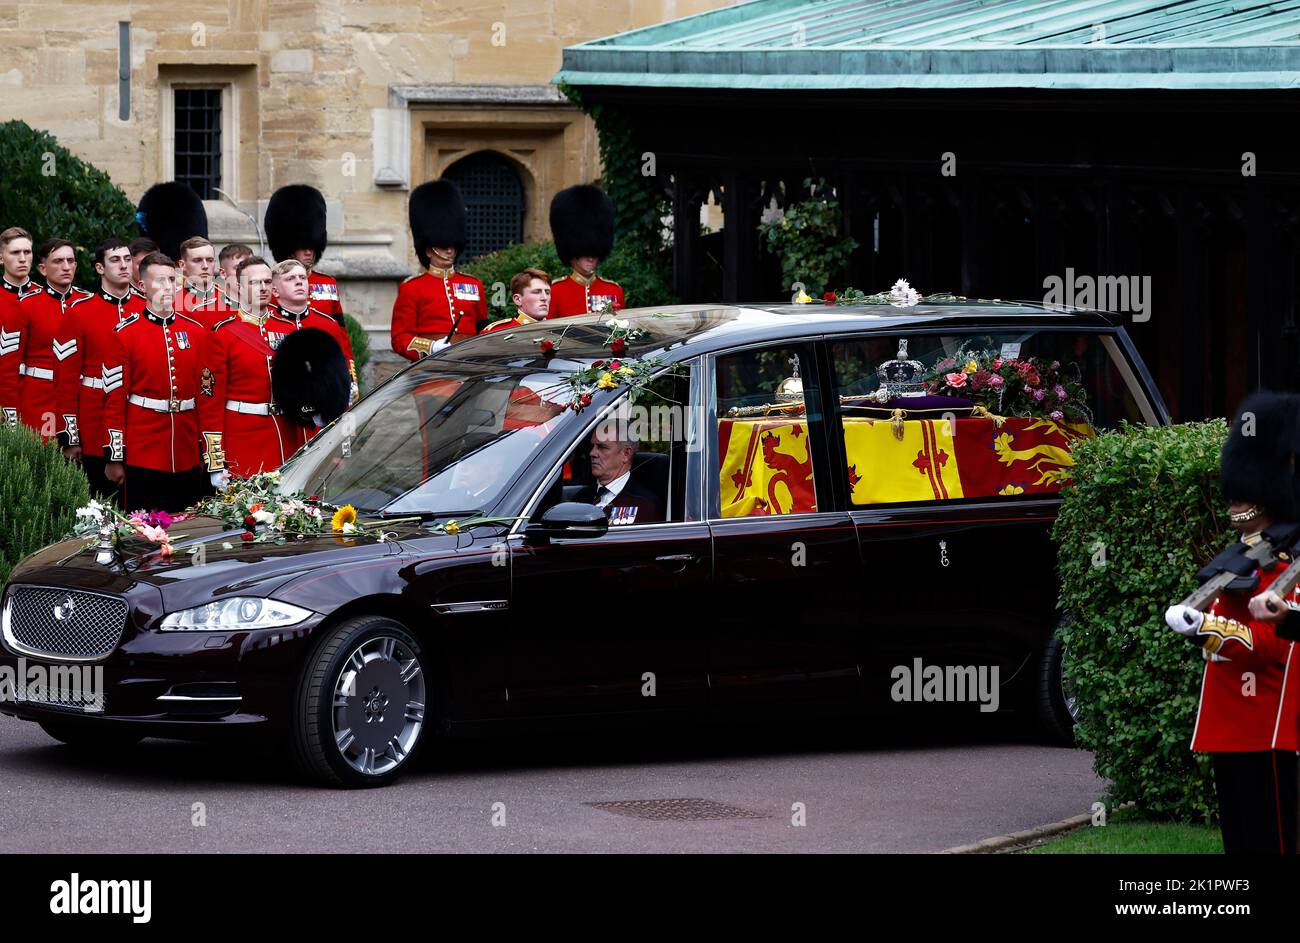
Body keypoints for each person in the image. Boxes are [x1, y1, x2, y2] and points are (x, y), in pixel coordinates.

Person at [1164, 390, 1300, 854]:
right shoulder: (1243, 555)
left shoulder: (1286, 561)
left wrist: (1202, 629)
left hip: (1269, 724)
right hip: (1232, 724)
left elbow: (1270, 644)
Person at [100, 253, 209, 513]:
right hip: (143, 449)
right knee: (145, 527)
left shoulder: (196, 331)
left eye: (172, 279)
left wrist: (207, 449)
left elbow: (206, 397)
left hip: (186, 448)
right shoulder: (125, 334)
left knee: (190, 524)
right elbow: (114, 401)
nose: (168, 287)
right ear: (142, 286)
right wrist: (114, 456)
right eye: (160, 281)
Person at [53, 238, 146, 497]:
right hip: (93, 421)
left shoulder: (145, 308)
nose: (124, 265)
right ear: (99, 268)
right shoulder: (79, 312)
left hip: (138, 422)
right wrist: (70, 437)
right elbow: (65, 380)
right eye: (115, 260)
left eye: (127, 259)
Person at [198, 256, 300, 480]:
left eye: (267, 282)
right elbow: (210, 403)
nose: (263, 288)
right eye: (254, 282)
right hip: (244, 441)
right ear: (239, 286)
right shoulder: (222, 334)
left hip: (286, 438)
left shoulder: (288, 329)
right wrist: (215, 462)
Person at [0, 239, 92, 441]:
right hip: (40, 399)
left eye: (70, 261)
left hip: (84, 400)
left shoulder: (90, 303)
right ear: (43, 269)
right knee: (47, 455)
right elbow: (7, 367)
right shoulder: (25, 305)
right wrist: (10, 415)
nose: (66, 267)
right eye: (58, 261)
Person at [390, 179, 485, 360]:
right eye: (443, 246)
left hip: (470, 362)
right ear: (428, 251)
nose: (450, 251)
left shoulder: (474, 284)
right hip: (431, 364)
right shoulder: (412, 288)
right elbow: (400, 338)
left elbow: (483, 329)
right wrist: (430, 347)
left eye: (453, 246)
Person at [270, 258, 358, 403]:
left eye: (302, 277)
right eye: (290, 278)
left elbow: (338, 371)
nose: (299, 282)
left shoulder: (328, 325)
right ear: (275, 290)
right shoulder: (266, 324)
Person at [264, 184, 346, 328]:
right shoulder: (269, 284)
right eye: (303, 247)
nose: (309, 252)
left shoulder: (328, 283)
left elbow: (340, 331)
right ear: (289, 248)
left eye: (312, 247)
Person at [547, 184, 624, 319]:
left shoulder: (614, 290)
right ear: (572, 254)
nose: (591, 258)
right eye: (584, 254)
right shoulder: (555, 291)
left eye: (594, 254)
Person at [572, 421, 662, 525]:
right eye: (592, 446)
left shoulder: (645, 505)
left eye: (602, 447)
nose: (592, 453)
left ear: (626, 453)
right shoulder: (580, 498)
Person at [0, 226, 40, 428]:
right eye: (15, 252)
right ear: (1, 258)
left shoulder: (47, 299)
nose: (23, 258)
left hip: (39, 398)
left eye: (27, 252)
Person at [483, 268, 551, 333]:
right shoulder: (497, 333)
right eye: (536, 292)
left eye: (547, 293)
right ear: (518, 299)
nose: (544, 298)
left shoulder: (556, 329)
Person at [174, 236, 220, 329]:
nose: (205, 266)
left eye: (210, 260)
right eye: (197, 260)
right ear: (182, 265)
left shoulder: (230, 299)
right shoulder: (170, 301)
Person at [216, 242, 253, 316]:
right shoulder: (209, 313)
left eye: (251, 266)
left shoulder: (269, 310)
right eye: (238, 268)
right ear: (223, 273)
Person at [127, 237, 158, 304]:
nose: (148, 268)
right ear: (129, 264)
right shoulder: (120, 297)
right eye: (142, 263)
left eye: (153, 262)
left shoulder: (174, 294)